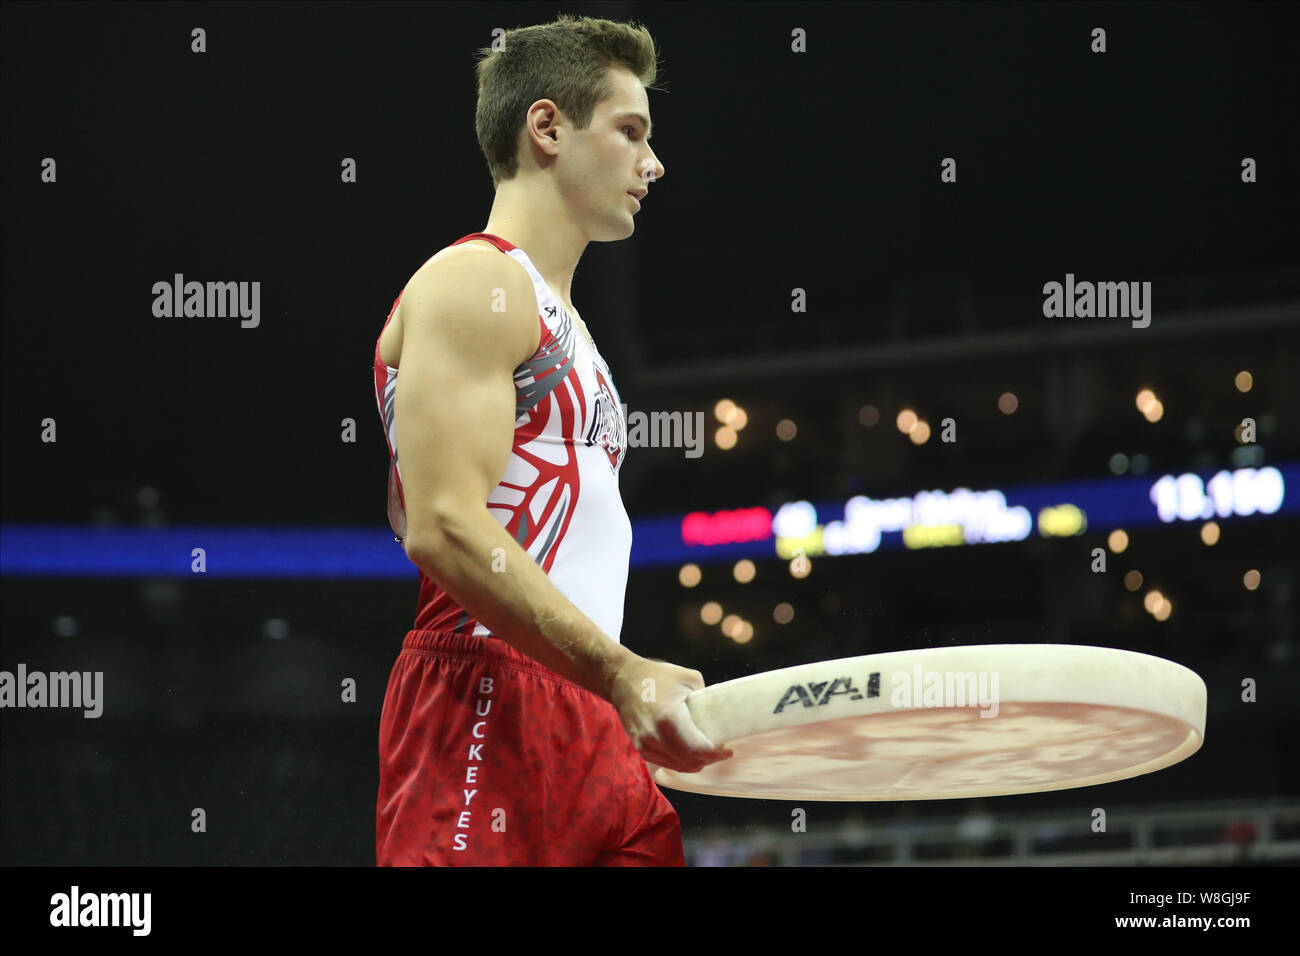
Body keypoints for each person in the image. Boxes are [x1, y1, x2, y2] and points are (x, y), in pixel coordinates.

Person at [372, 14, 731, 867]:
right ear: (547, 128)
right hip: (483, 695)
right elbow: (445, 525)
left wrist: (615, 685)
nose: (655, 163)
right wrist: (616, 670)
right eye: (631, 131)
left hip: (591, 716)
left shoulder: (572, 334)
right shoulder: (474, 281)